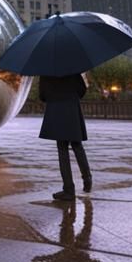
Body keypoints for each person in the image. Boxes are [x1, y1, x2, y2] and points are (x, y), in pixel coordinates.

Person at [39, 73, 92, 201]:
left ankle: (69, 189)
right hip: (72, 108)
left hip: (57, 109)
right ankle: (87, 179)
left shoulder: (46, 71)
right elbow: (82, 90)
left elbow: (42, 96)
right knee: (77, 145)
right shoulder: (72, 68)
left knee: (62, 150)